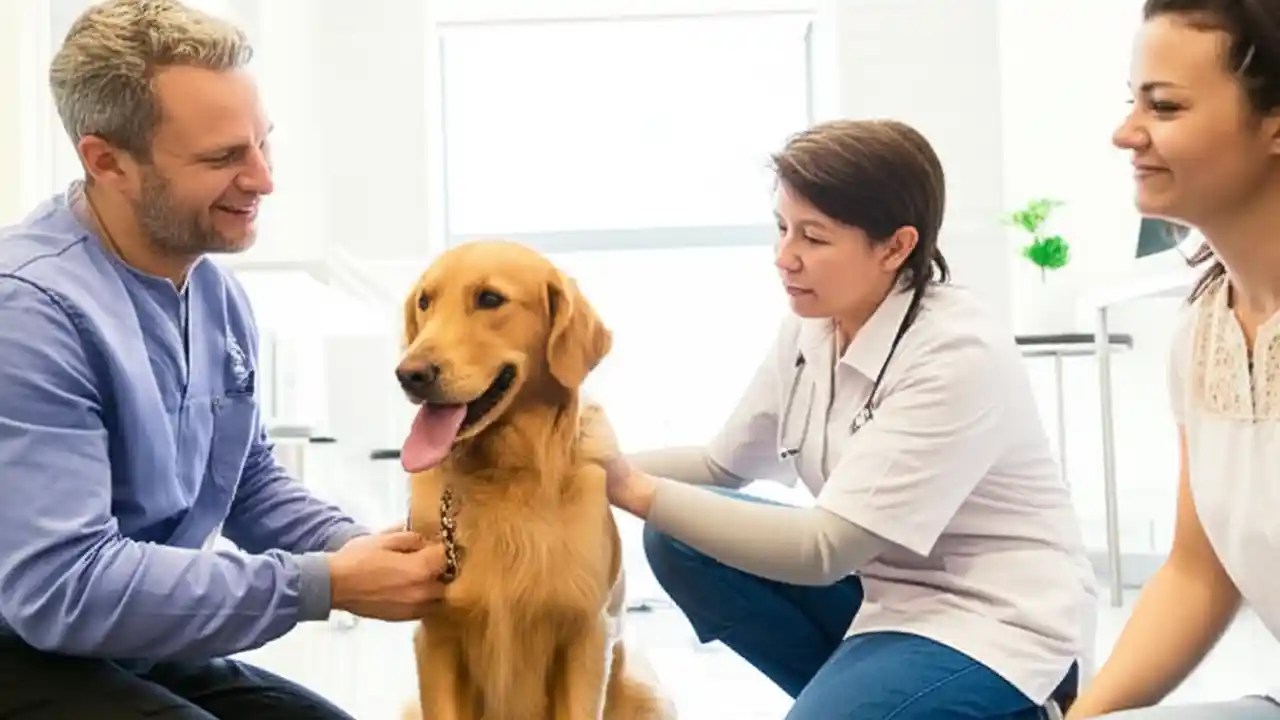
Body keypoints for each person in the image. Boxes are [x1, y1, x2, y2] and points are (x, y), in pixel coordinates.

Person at [0, 1, 447, 718]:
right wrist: (323, 583)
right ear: (106, 160)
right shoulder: (27, 314)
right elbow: (66, 588)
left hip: (124, 644)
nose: (264, 179)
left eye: (263, 144)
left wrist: (371, 552)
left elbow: (242, 482)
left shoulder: (211, 290)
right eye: (223, 158)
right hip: (27, 643)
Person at [581, 118, 1098, 719]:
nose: (784, 257)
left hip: (995, 621)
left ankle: (1007, 709)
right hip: (884, 598)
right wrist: (572, 466)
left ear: (896, 247)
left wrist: (628, 487)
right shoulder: (812, 328)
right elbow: (718, 465)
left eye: (814, 238)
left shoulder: (956, 351)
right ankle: (874, 699)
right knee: (679, 538)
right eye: (781, 229)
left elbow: (823, 549)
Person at [1067, 2, 1280, 719]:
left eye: (1164, 106)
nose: (1127, 132)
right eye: (1133, 102)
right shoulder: (1204, 333)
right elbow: (1199, 572)